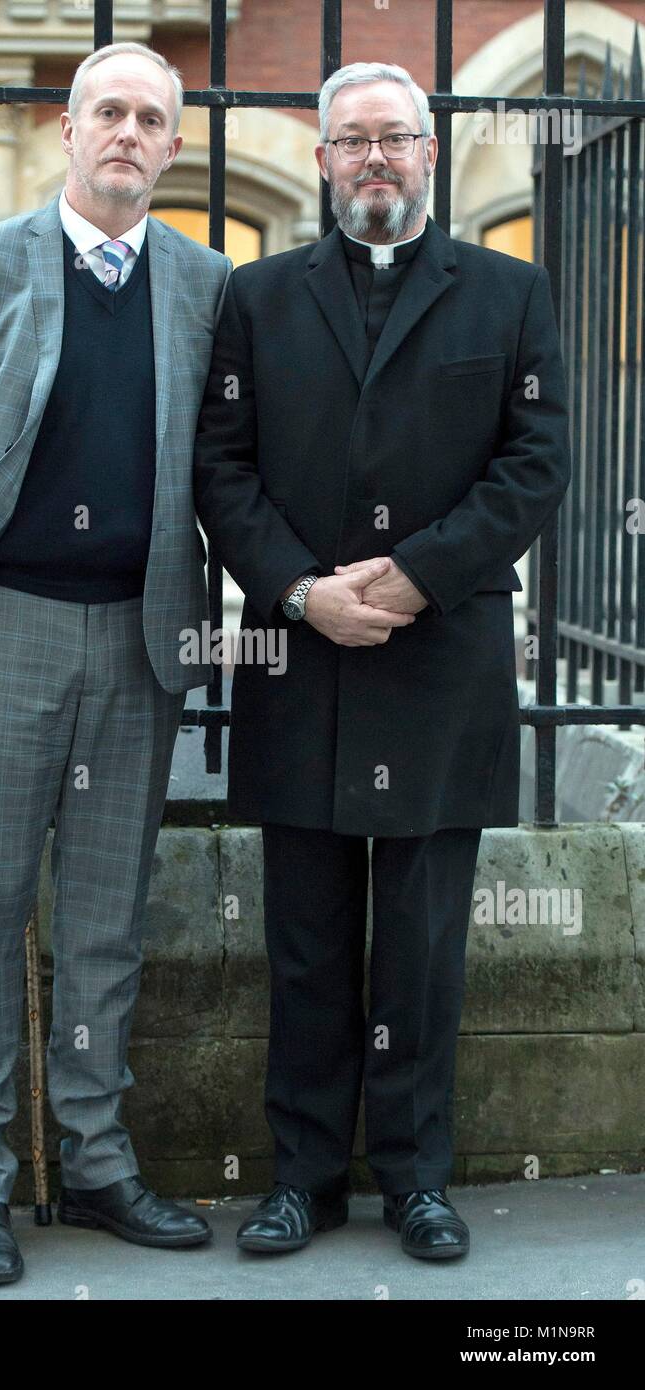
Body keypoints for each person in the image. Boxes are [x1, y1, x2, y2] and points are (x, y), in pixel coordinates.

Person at [193, 61, 571, 1261]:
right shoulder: (253, 298)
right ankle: (300, 1175)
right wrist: (303, 592)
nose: (372, 158)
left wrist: (411, 577)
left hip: (437, 654)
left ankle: (415, 1174)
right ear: (318, 161)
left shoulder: (506, 293)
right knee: (303, 938)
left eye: (393, 139)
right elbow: (221, 468)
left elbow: (532, 464)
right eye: (349, 140)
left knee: (418, 942)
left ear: (427, 154)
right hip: (300, 654)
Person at [0, 41, 232, 1285]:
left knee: (102, 926)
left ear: (173, 147)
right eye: (107, 113)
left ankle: (91, 1161)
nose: (127, 132)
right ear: (66, 133)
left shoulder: (203, 281)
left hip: (139, 636)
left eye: (151, 117)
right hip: (4, 629)